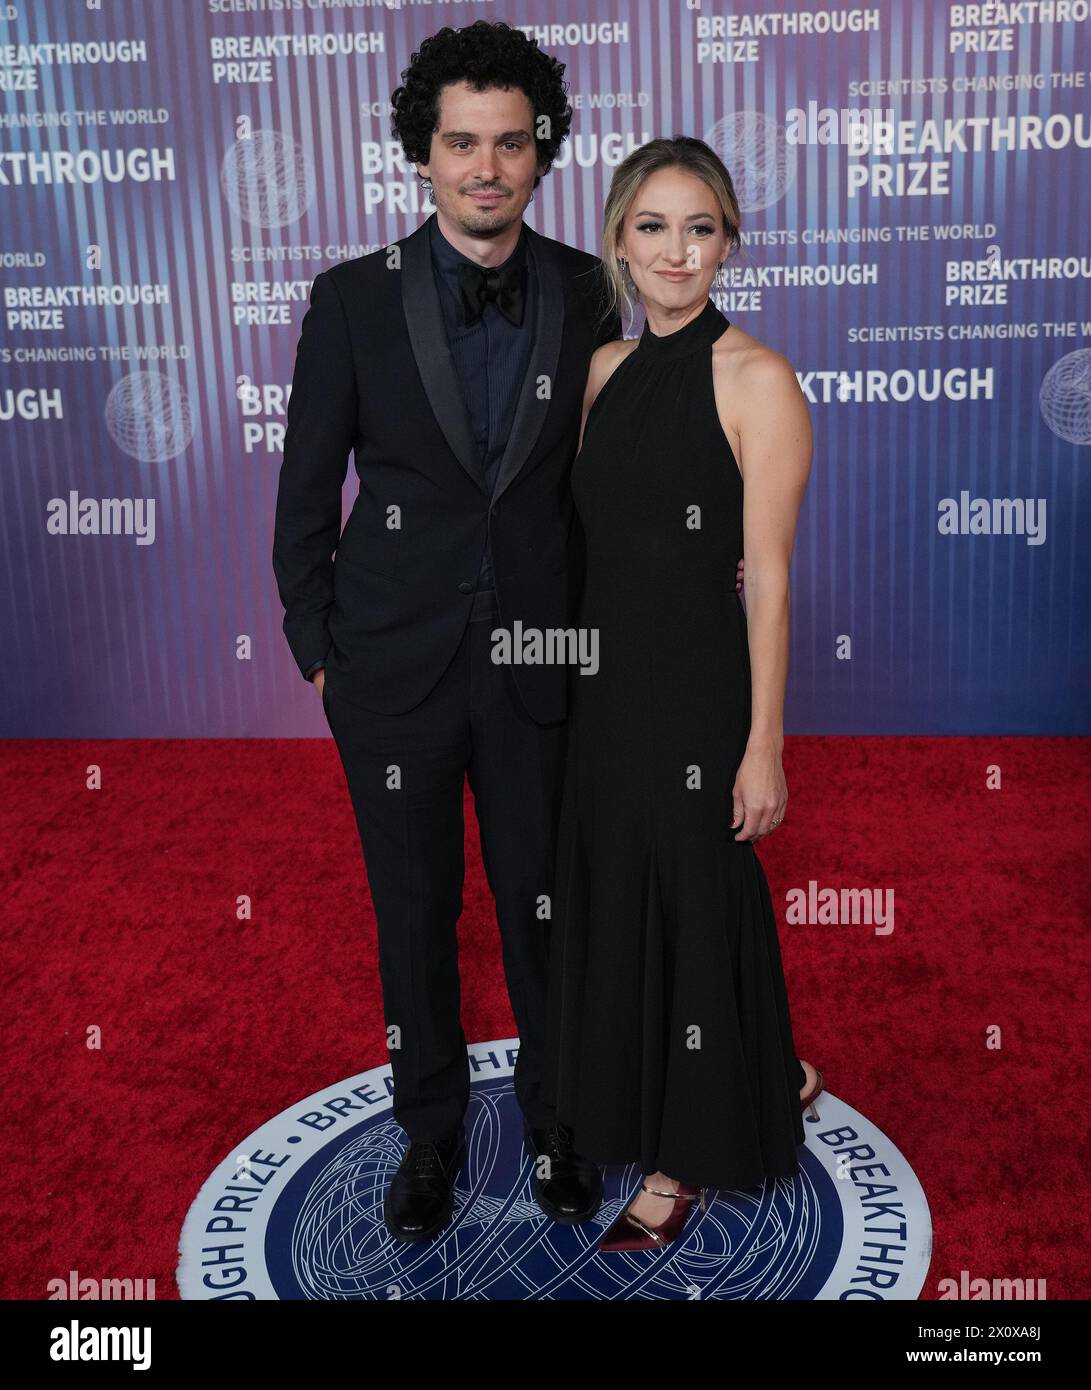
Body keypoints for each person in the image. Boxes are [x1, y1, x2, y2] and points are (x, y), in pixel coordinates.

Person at [273, 20, 744, 1244]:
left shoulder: (593, 290)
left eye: (510, 143)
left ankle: (562, 1124)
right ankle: (427, 1134)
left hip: (546, 664)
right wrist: (319, 646)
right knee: (413, 908)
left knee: (549, 908)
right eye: (460, 143)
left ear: (543, 155)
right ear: (421, 157)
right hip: (388, 667)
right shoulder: (348, 301)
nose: (486, 166)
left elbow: (632, 462)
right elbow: (302, 494)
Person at [542, 136, 822, 1252]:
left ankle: (674, 1159)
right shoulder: (603, 371)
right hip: (601, 691)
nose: (674, 250)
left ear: (726, 242)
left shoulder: (757, 378)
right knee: (616, 890)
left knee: (695, 892)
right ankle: (774, 1068)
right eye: (651, 226)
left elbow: (769, 585)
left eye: (697, 227)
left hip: (697, 694)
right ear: (618, 237)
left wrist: (763, 744)